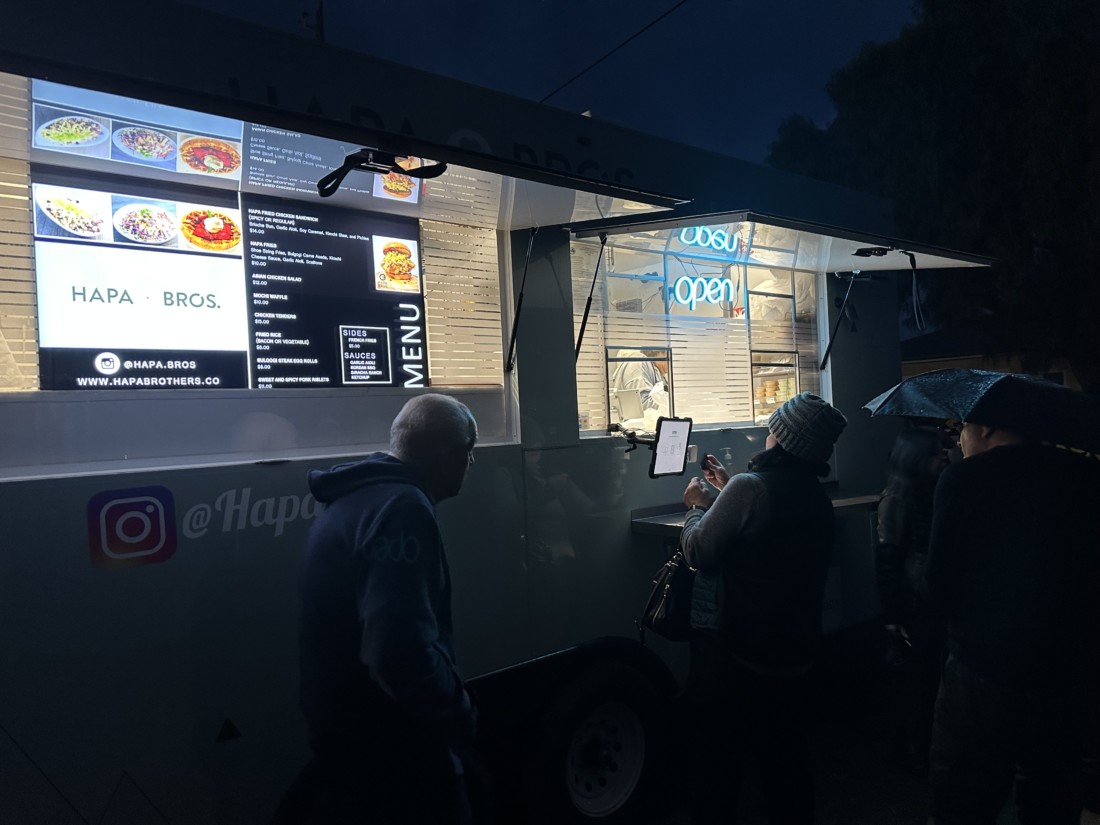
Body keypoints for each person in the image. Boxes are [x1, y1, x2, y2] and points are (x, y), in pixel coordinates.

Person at [285, 393, 487, 825]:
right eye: (469, 452)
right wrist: (458, 707)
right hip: (391, 743)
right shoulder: (403, 509)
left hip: (344, 731)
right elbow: (397, 650)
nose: (471, 465)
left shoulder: (354, 498)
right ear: (446, 456)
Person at [679, 391, 848, 825]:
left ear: (784, 438)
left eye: (775, 427)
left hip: (736, 657)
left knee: (718, 766)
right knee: (785, 767)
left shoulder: (750, 488)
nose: (768, 433)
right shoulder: (815, 496)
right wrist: (727, 490)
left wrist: (698, 509)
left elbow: (699, 551)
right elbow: (767, 532)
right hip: (792, 656)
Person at [925, 419, 1100, 825]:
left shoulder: (962, 478)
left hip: (980, 669)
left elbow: (939, 579)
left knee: (962, 800)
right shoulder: (1085, 476)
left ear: (985, 428)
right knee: (1050, 797)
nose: (960, 440)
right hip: (1065, 673)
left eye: (963, 429)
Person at [874, 426, 950, 774]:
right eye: (936, 453)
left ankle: (920, 747)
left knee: (926, 677)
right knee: (914, 680)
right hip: (913, 604)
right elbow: (887, 559)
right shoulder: (899, 499)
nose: (943, 457)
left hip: (929, 600)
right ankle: (910, 750)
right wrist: (892, 616)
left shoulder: (931, 491)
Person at [610, 348, 669, 416]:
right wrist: (674, 405)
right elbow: (643, 405)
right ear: (660, 353)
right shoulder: (639, 362)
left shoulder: (659, 374)